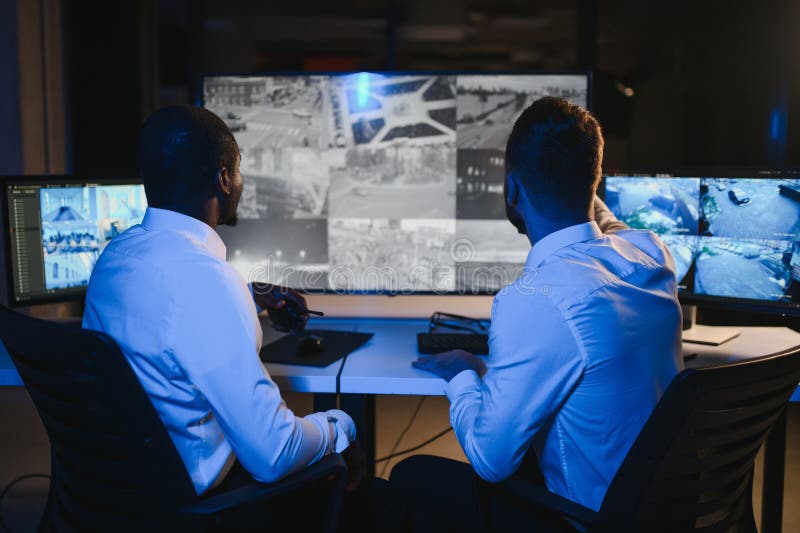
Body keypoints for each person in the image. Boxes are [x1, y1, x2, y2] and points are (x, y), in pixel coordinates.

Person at [391, 97, 683, 531]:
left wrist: (462, 374)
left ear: (511, 190)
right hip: (664, 511)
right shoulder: (651, 253)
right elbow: (607, 222)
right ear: (594, 180)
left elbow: (490, 460)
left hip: (587, 521)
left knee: (409, 476)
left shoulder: (535, 299)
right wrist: (580, 178)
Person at [82, 106, 363, 514]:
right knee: (374, 498)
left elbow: (165, 313)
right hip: (202, 504)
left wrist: (249, 297)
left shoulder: (114, 258)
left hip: (122, 492)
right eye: (239, 170)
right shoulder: (207, 280)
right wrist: (340, 428)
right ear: (224, 180)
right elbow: (275, 453)